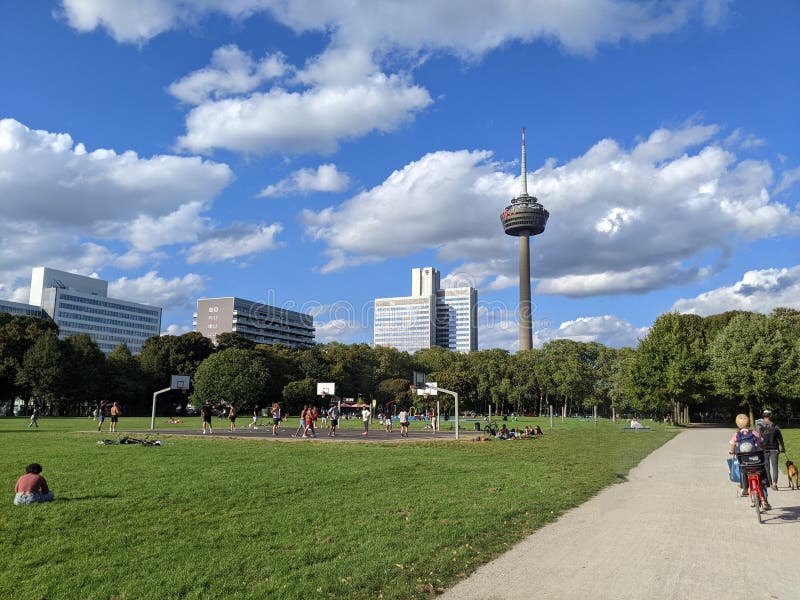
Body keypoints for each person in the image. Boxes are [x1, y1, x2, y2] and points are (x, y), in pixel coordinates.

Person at [729, 413, 770, 508]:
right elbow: (760, 443)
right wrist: (763, 449)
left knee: (742, 470)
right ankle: (765, 501)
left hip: (744, 461)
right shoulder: (754, 433)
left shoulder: (736, 435)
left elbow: (732, 446)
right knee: (761, 476)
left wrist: (732, 451)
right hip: (756, 460)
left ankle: (745, 488)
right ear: (748, 423)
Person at [757, 410, 786, 491]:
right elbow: (780, 439)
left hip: (764, 449)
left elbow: (757, 439)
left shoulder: (759, 426)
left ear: (763, 416)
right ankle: (775, 484)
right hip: (774, 449)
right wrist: (783, 448)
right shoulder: (775, 426)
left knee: (766, 466)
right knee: (775, 467)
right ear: (770, 416)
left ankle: (769, 482)